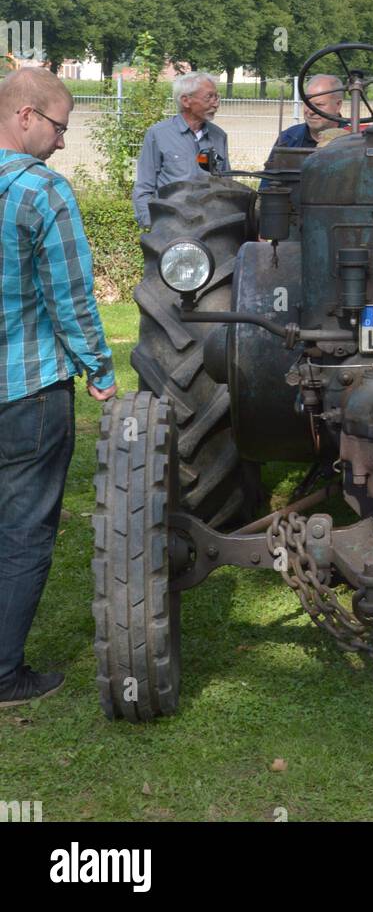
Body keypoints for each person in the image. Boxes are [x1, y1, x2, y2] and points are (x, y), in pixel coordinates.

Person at [0, 69, 116, 707]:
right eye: (60, 127)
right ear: (25, 116)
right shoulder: (41, 192)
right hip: (27, 394)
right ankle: (3, 676)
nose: (63, 143)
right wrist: (99, 370)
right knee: (21, 529)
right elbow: (70, 300)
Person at [132, 72, 229, 229]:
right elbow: (144, 188)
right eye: (209, 97)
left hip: (210, 227)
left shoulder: (219, 137)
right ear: (186, 100)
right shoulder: (158, 134)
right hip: (170, 227)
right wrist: (152, 224)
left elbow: (226, 186)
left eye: (217, 97)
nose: (215, 104)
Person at [267, 74, 347, 151]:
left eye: (319, 105)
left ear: (338, 105)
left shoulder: (353, 141)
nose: (311, 111)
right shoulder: (288, 138)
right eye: (307, 103)